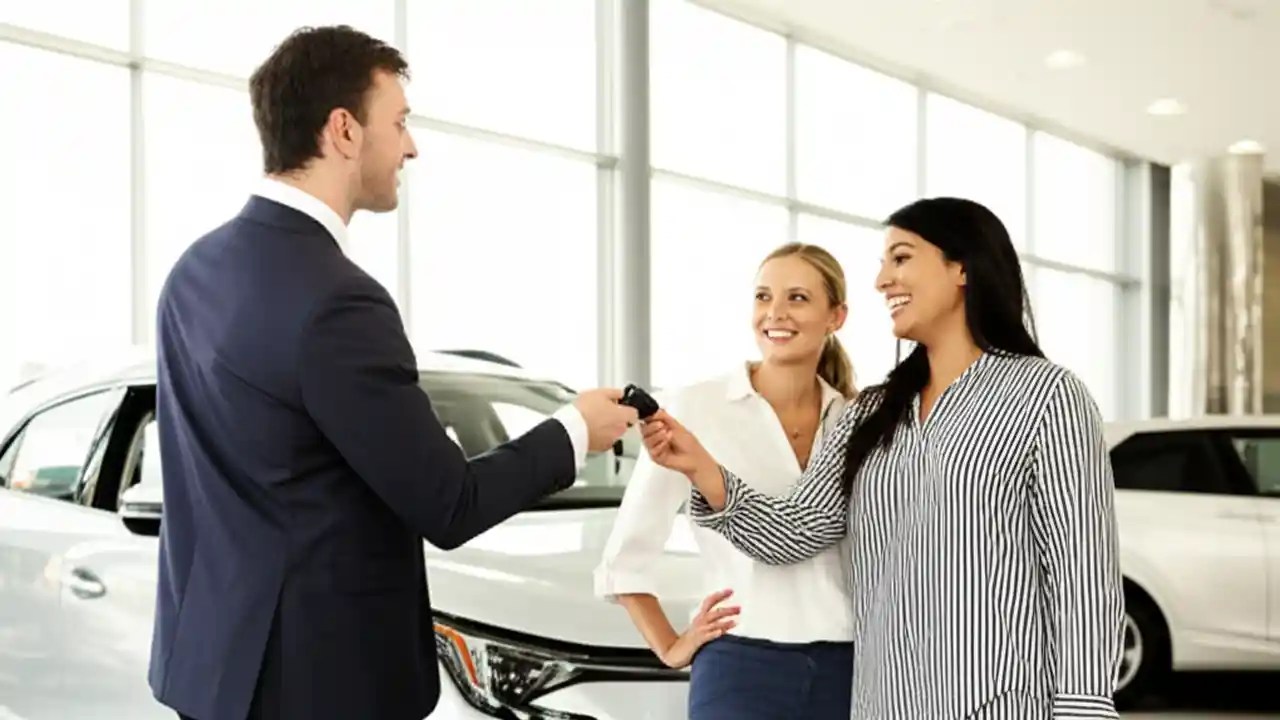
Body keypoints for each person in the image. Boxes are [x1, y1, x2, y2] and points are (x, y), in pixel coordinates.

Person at [148, 26, 638, 720]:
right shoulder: (337, 298)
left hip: (210, 669)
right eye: (400, 122)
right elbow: (449, 502)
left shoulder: (193, 271)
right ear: (344, 131)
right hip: (320, 685)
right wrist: (573, 430)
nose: (411, 145)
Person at [640, 197, 1126, 719]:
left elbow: (1083, 578)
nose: (881, 281)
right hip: (884, 704)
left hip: (1001, 705)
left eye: (901, 258)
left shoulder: (1047, 395)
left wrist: (1085, 711)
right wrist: (700, 467)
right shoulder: (871, 412)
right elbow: (796, 531)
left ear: (961, 266)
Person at [594, 242, 859, 719]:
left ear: (836, 316)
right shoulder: (696, 407)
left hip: (848, 669)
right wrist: (673, 646)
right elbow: (625, 558)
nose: (774, 312)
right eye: (763, 297)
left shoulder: (857, 420)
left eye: (797, 297)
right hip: (740, 668)